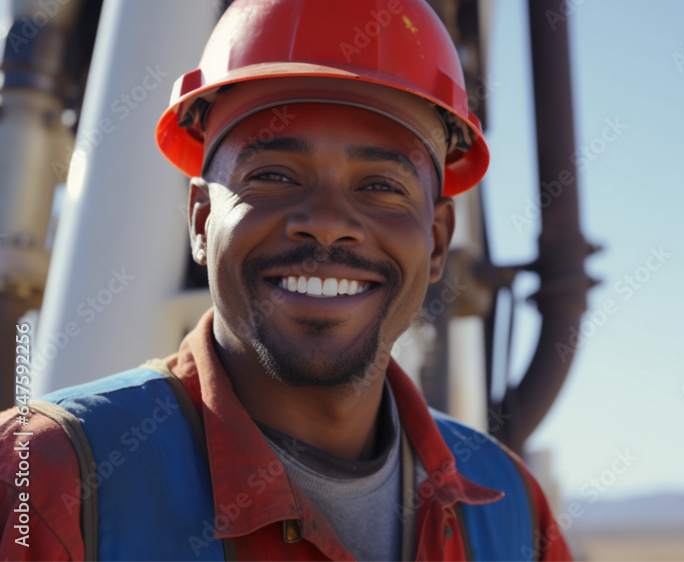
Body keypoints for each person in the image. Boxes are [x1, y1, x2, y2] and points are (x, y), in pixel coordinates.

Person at [0, 0, 572, 559]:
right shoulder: (43, 482)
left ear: (438, 240)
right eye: (273, 175)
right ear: (201, 220)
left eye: (380, 185)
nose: (325, 223)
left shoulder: (513, 511)